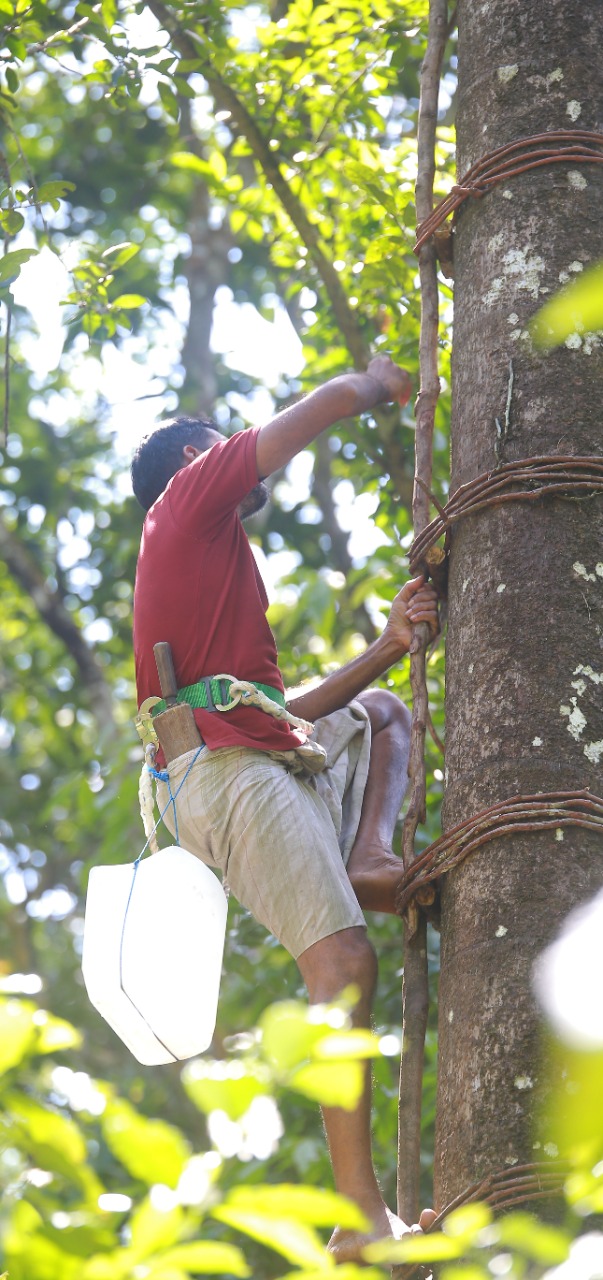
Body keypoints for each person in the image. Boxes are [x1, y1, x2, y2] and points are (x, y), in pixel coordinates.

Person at [131, 355, 439, 1262]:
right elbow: (322, 408)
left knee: (379, 714)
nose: (234, 450)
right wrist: (379, 381)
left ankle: (367, 858)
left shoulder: (212, 567)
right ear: (194, 459)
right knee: (341, 964)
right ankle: (357, 1218)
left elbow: (285, 714)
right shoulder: (187, 498)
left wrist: (387, 648)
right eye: (217, 442)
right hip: (225, 773)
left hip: (253, 749)